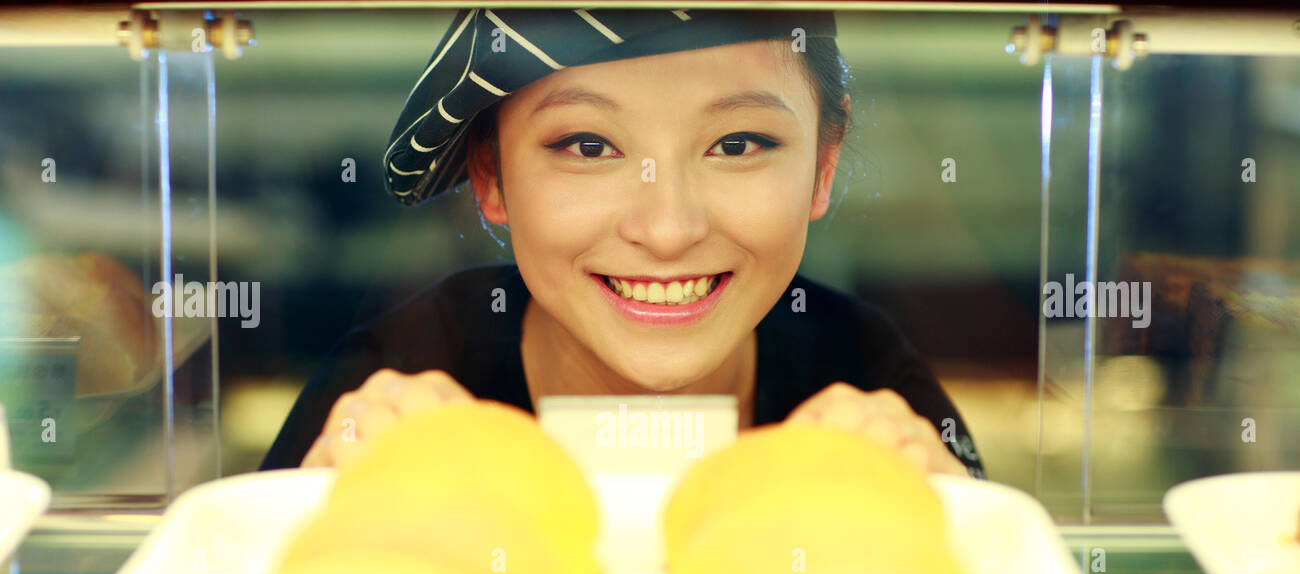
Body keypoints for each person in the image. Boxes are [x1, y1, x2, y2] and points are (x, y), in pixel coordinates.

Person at [260, 8, 984, 478]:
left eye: (737, 144)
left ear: (823, 163)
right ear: (491, 173)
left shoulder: (863, 367)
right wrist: (308, 514)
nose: (668, 230)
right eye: (587, 145)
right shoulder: (397, 372)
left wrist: (961, 521)